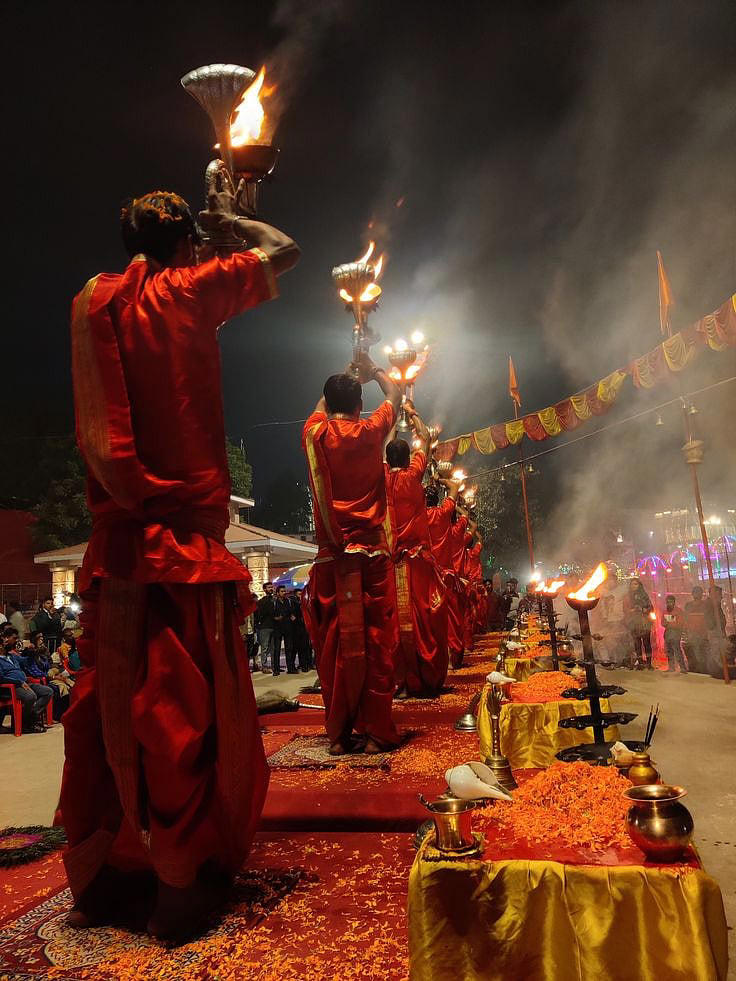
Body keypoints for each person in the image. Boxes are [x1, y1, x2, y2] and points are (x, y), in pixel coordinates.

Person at [59, 175, 299, 939]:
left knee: (104, 712)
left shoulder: (95, 301)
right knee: (179, 716)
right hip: (185, 552)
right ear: (185, 245)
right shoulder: (192, 291)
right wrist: (235, 223)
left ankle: (105, 876)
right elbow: (283, 251)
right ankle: (180, 883)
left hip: (116, 551)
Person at [302, 350, 402, 755]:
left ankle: (340, 734)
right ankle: (376, 731)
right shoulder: (374, 430)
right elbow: (396, 391)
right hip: (373, 557)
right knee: (377, 642)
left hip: (332, 556)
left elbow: (321, 407)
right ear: (361, 406)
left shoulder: (315, 434)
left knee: (334, 643)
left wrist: (344, 377)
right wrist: (373, 370)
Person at [384, 404, 448, 698]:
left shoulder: (381, 478)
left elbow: (384, 445)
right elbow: (426, 437)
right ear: (408, 458)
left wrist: (394, 419)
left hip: (390, 564)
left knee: (395, 626)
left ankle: (401, 682)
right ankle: (424, 677)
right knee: (426, 618)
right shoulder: (413, 476)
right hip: (418, 565)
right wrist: (412, 413)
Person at [0, 626, 52, 732]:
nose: (7, 644)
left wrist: (32, 652)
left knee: (47, 691)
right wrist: (18, 682)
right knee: (31, 696)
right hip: (11, 687)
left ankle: (28, 720)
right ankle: (27, 724)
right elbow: (1, 678)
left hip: (24, 683)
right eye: (4, 643)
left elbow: (26, 661)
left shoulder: (12, 656)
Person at [622, 578, 654, 669]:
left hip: (644, 623)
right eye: (632, 584)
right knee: (637, 644)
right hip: (633, 623)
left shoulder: (644, 596)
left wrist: (643, 610)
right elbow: (625, 610)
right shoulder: (627, 597)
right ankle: (640, 663)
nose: (633, 586)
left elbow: (650, 608)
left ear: (639, 585)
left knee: (647, 644)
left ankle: (648, 663)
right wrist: (633, 610)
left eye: (636, 584)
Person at [683, 586, 710, 674]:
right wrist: (686, 631)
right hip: (692, 633)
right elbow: (685, 619)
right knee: (693, 652)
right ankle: (695, 669)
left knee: (702, 653)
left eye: (698, 592)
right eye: (695, 592)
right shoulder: (688, 606)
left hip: (702, 633)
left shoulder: (705, 605)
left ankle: (703, 670)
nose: (697, 594)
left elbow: (708, 619)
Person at [661, 594, 688, 673]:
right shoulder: (665, 611)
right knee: (669, 650)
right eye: (667, 602)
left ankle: (682, 668)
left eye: (671, 602)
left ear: (674, 602)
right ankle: (671, 667)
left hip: (676, 632)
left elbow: (680, 623)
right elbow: (662, 623)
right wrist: (672, 620)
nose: (669, 603)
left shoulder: (678, 611)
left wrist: (669, 621)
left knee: (677, 650)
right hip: (668, 632)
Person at [273, 584, 296, 674]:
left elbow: (292, 612)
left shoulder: (289, 601)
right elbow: (271, 614)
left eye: (284, 591)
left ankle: (290, 668)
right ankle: (276, 669)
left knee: (289, 648)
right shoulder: (274, 602)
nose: (284, 593)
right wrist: (276, 618)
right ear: (277, 593)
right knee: (277, 649)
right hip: (277, 627)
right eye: (282, 591)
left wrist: (293, 616)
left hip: (288, 627)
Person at [255, 582, 276, 674]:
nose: (271, 588)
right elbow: (259, 615)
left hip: (274, 626)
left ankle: (274, 666)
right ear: (264, 589)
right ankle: (264, 666)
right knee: (265, 648)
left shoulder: (275, 600)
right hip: (264, 627)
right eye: (269, 587)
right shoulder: (262, 601)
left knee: (273, 648)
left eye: (272, 587)